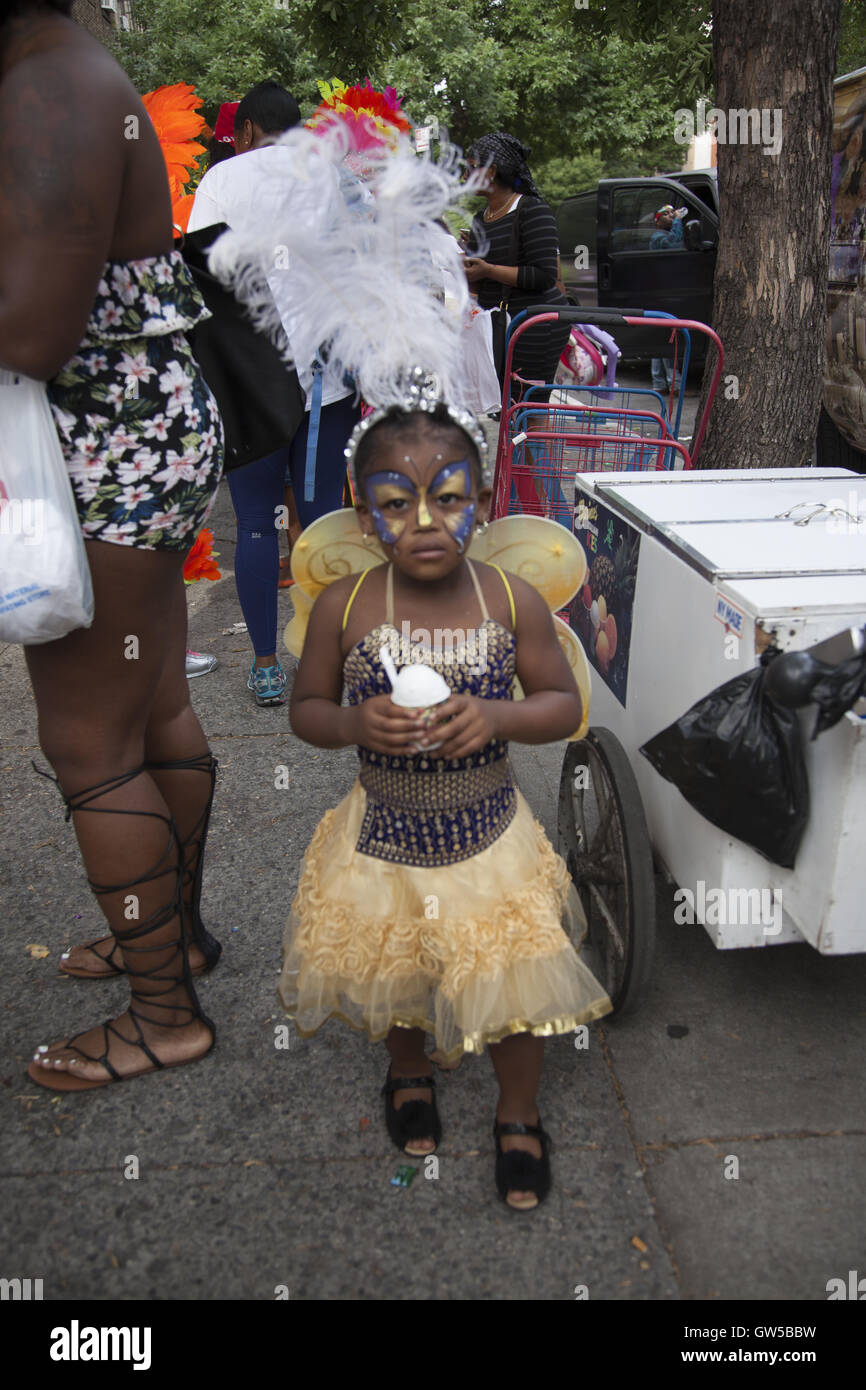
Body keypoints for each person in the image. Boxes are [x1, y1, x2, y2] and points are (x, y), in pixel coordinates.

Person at [282, 401, 612, 1209]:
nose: (425, 521)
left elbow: (562, 706)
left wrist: (497, 716)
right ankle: (408, 1069)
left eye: (450, 499)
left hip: (487, 842)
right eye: (398, 503)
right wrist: (356, 722)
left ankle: (519, 1112)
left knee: (512, 983)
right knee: (394, 966)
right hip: (383, 841)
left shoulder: (509, 600)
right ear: (365, 512)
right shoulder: (346, 606)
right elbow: (307, 711)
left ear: (486, 501)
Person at [1, 0, 223, 1088]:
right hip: (143, 435)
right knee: (156, 707)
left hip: (106, 450)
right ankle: (172, 940)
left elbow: (30, 330)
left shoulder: (48, 86)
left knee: (91, 746)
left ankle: (162, 1013)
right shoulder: (69, 71)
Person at [188, 81, 362, 707]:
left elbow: (204, 287)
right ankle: (326, 668)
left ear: (244, 133)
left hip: (251, 385)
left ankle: (266, 666)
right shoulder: (338, 181)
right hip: (329, 384)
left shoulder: (222, 182)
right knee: (320, 526)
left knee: (258, 525)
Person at [462, 132, 570, 399]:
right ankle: (511, 444)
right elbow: (476, 279)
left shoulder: (532, 210)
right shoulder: (480, 218)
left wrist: (488, 269)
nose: (464, 176)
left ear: (492, 171)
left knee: (529, 407)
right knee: (506, 407)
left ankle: (531, 444)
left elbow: (545, 275)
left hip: (534, 326)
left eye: (470, 167)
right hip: (497, 326)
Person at [649, 204, 688, 397]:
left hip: (660, 291)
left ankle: (659, 383)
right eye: (667, 214)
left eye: (673, 213)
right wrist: (679, 221)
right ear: (657, 220)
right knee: (668, 339)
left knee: (660, 340)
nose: (671, 216)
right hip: (664, 294)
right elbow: (675, 243)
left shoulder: (658, 237)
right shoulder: (659, 238)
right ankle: (675, 385)